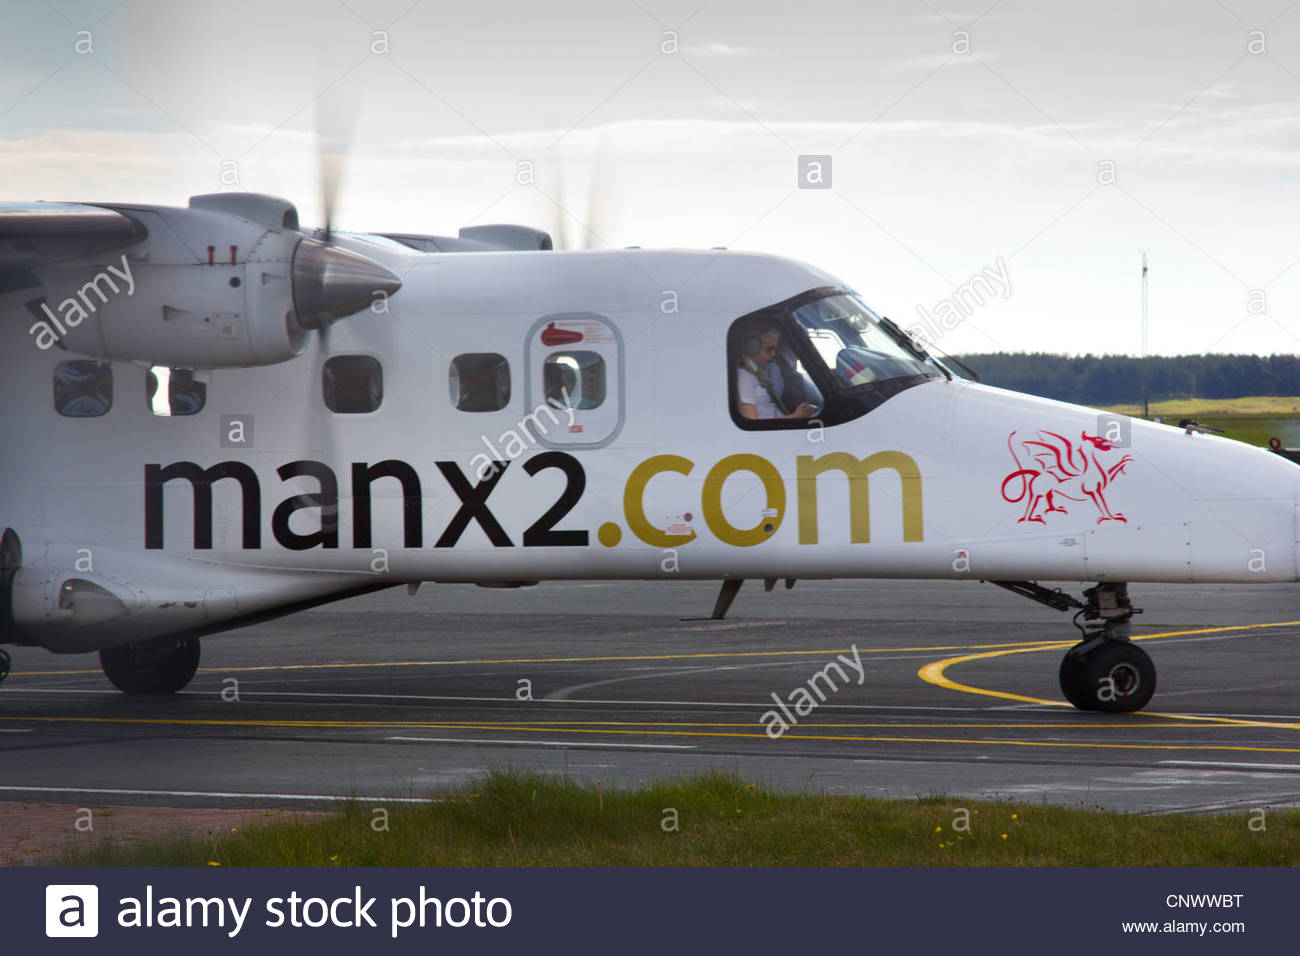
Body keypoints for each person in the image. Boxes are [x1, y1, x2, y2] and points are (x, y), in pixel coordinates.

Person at [736, 325, 815, 420]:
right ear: (752, 349)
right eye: (769, 349)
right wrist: (795, 416)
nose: (773, 354)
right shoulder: (744, 376)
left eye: (775, 349)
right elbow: (751, 422)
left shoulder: (758, 373)